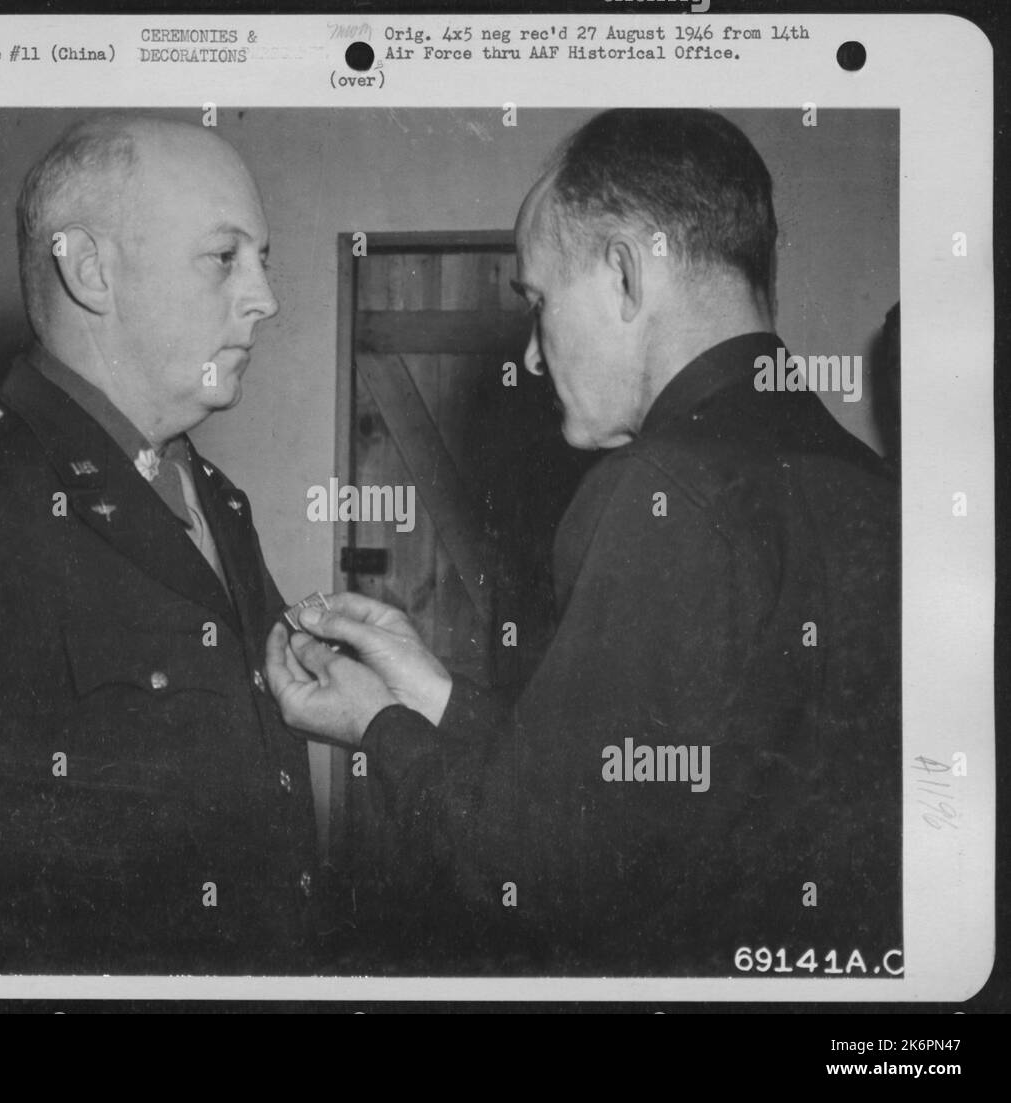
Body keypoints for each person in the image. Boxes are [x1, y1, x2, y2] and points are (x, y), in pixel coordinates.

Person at [267, 109, 902, 975]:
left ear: (626, 276)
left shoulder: (662, 489)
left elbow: (534, 869)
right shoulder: (869, 486)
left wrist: (373, 724)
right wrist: (429, 688)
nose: (530, 354)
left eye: (536, 301)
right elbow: (622, 786)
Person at [0, 115, 324, 975]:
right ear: (91, 268)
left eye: (263, 259)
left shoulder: (213, 498)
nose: (265, 298)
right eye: (224, 256)